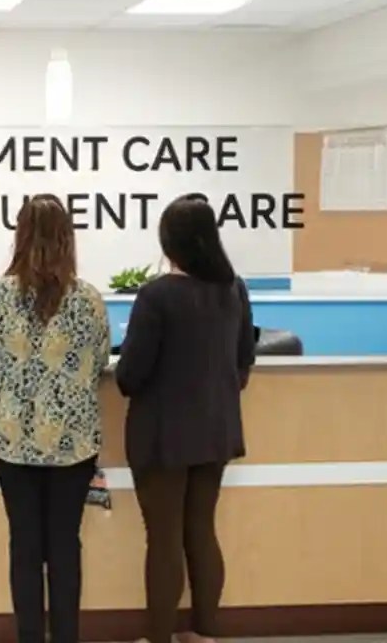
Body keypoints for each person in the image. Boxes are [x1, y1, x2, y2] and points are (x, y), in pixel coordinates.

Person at [0, 194, 111, 643]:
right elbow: (100, 358)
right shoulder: (88, 298)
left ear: (20, 235)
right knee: (64, 546)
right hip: (74, 446)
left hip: (13, 441)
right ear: (67, 238)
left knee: (25, 545)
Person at [114, 194, 257, 643]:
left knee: (163, 538)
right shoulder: (234, 289)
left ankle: (158, 638)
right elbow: (243, 365)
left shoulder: (156, 295)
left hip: (162, 438)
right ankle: (204, 633)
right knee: (200, 531)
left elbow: (130, 376)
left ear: (168, 242)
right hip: (215, 431)